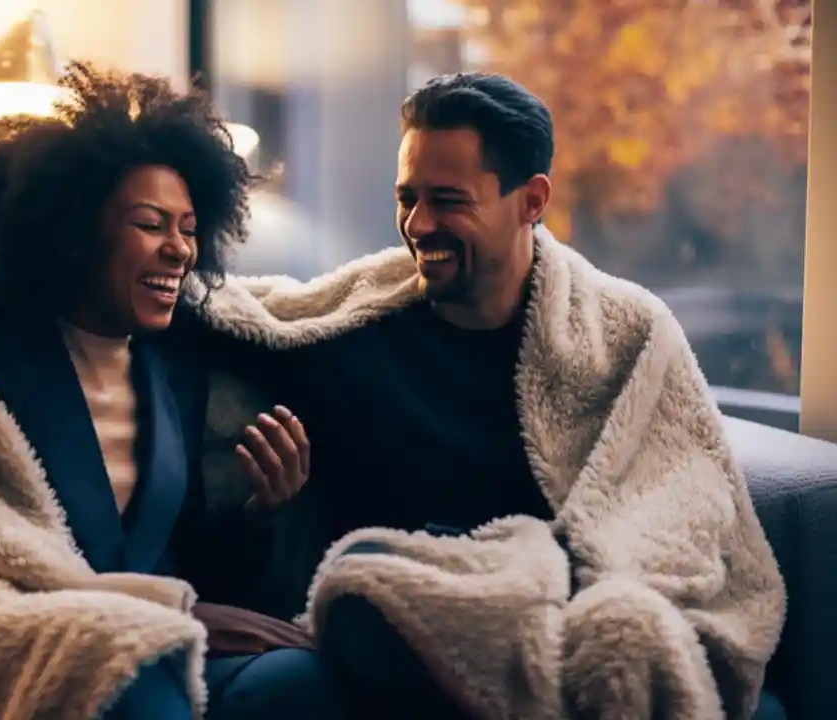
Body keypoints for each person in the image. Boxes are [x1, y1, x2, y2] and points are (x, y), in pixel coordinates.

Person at [171, 72, 787, 719]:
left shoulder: (624, 335)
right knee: (368, 583)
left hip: (554, 609)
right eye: (406, 197)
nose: (418, 224)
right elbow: (232, 316)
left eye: (448, 200)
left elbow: (677, 510)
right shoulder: (352, 336)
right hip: (388, 618)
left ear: (532, 200)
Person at [0, 62, 345, 720]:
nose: (179, 251)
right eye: (151, 224)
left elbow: (180, 558)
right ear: (77, 231)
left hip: (157, 636)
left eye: (189, 229)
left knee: (301, 679)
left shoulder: (174, 365)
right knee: (133, 687)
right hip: (31, 637)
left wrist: (262, 512)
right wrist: (163, 615)